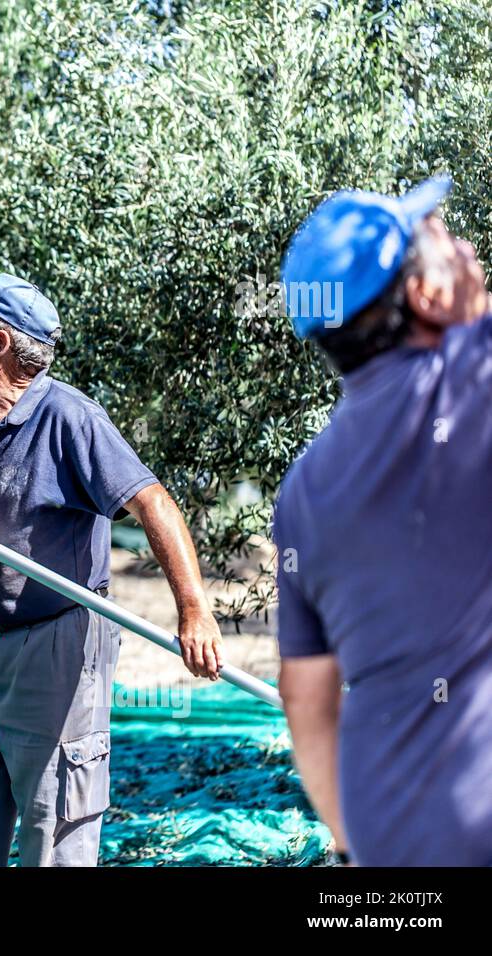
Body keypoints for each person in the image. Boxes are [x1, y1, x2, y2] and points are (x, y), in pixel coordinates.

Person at [0, 272, 224, 866]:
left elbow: (152, 503)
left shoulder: (69, 418)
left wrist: (195, 611)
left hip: (57, 651)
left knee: (53, 837)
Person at [274, 175, 492, 866]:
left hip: (390, 833)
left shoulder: (302, 492)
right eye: (443, 240)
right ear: (427, 296)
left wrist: (350, 843)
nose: (466, 245)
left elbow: (304, 696)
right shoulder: (475, 380)